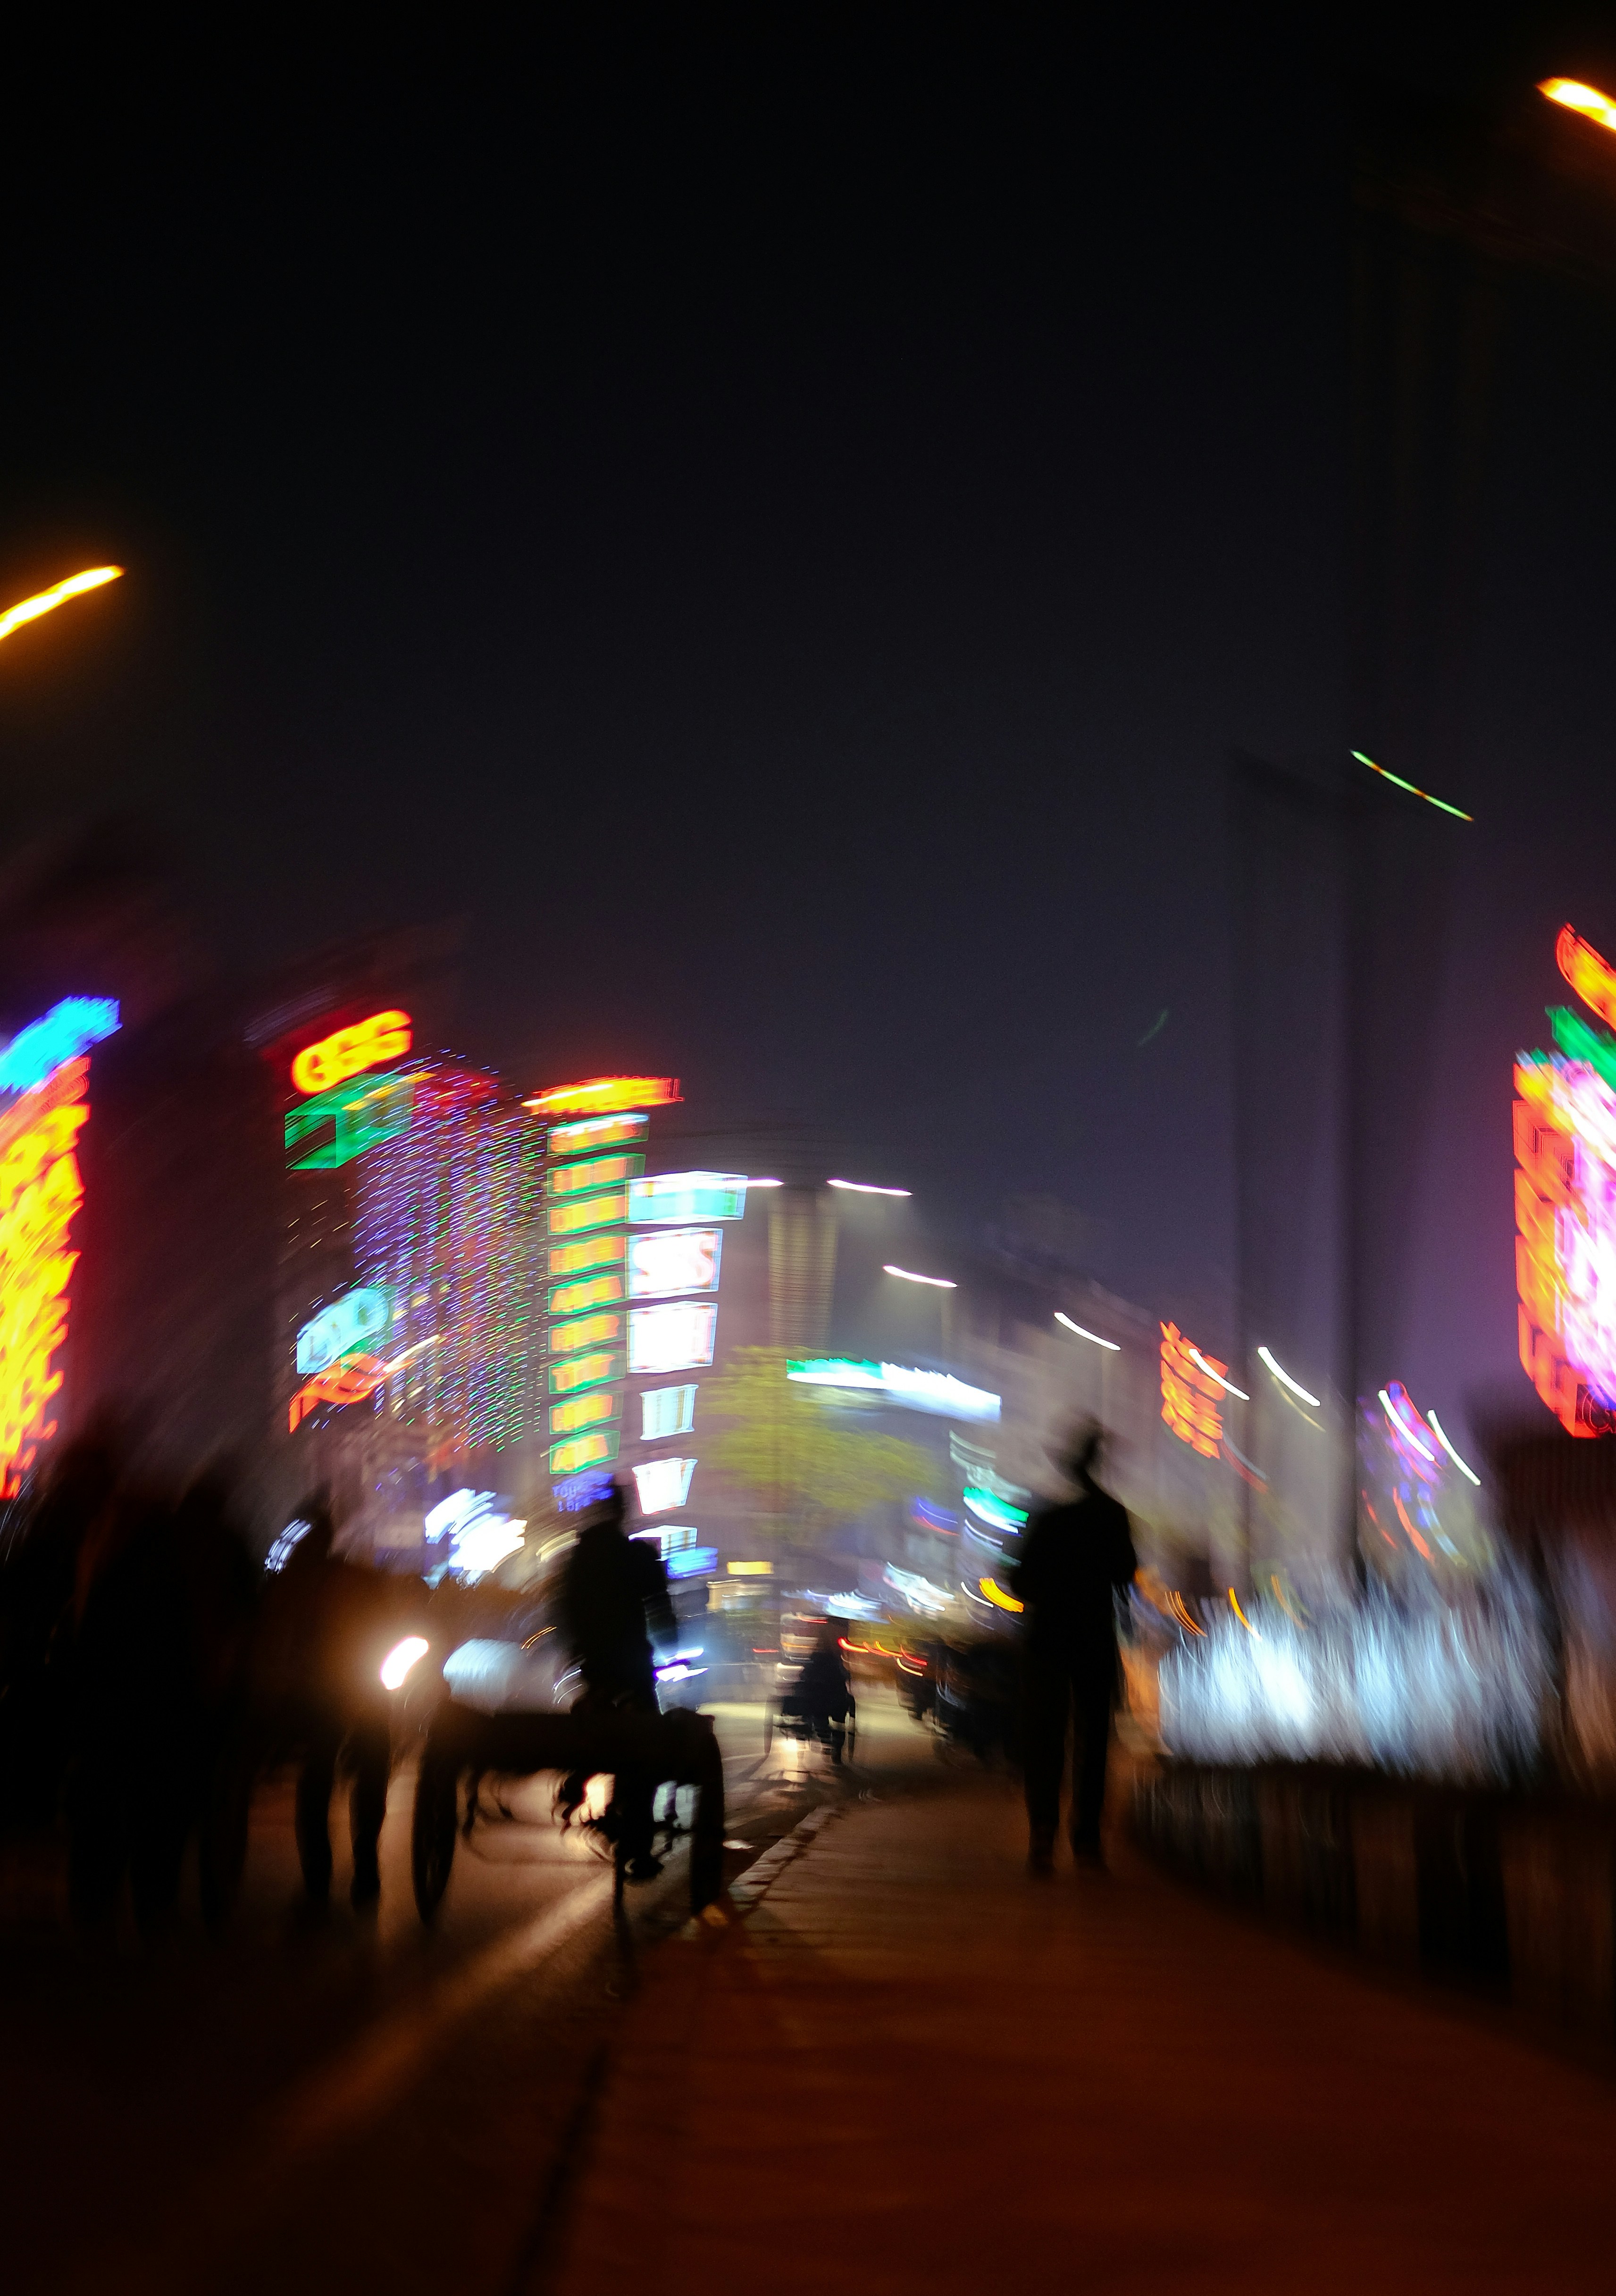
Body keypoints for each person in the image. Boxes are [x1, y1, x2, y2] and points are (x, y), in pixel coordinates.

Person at [1006, 1429, 1136, 1874]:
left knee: (1045, 1741)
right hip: (1094, 1642)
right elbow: (1125, 1576)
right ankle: (1086, 1840)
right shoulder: (1113, 1516)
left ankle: (1042, 1835)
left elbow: (1018, 1581)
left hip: (1047, 1643)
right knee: (1093, 1742)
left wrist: (1048, 1593)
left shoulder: (1048, 1521)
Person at [556, 1481, 676, 1879]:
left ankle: (579, 1775)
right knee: (648, 1752)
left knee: (593, 1723)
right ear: (622, 1513)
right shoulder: (638, 1557)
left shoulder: (577, 1559)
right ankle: (639, 1849)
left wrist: (576, 1650)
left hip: (594, 1671)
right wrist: (668, 1642)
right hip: (632, 1671)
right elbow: (660, 1613)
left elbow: (562, 1613)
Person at [788, 1622, 853, 1764]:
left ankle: (826, 1738)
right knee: (837, 1718)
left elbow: (806, 1675)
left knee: (819, 1713)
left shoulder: (819, 1653)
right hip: (832, 1692)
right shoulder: (839, 1635)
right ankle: (833, 1744)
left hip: (822, 1693)